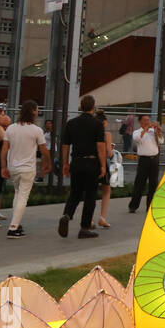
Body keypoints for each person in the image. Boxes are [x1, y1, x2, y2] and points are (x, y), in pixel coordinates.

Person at [59, 94, 105, 239]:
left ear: (81, 107)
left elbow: (65, 146)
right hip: (91, 162)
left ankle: (67, 215)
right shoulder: (97, 124)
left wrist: (65, 163)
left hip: (76, 162)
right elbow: (101, 147)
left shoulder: (71, 123)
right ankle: (84, 228)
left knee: (75, 192)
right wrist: (103, 165)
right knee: (90, 195)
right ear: (93, 107)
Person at [2, 100, 50, 238]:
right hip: (28, 168)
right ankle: (13, 227)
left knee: (17, 194)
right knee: (23, 197)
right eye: (36, 110)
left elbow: (4, 149)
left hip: (13, 168)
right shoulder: (37, 130)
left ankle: (15, 223)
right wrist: (48, 163)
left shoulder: (11, 128)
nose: (37, 112)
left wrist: (3, 166)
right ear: (33, 111)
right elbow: (44, 150)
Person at [128, 114, 164, 212]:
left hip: (154, 160)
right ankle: (133, 206)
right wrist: (145, 129)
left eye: (148, 120)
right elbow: (137, 139)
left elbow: (161, 141)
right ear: (140, 122)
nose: (147, 122)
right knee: (140, 183)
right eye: (145, 120)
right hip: (144, 160)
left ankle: (150, 206)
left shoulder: (153, 132)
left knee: (153, 183)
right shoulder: (137, 132)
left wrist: (158, 132)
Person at [95, 110, 114, 228]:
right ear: (105, 123)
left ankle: (90, 219)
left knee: (91, 191)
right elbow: (109, 153)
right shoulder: (106, 134)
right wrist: (111, 149)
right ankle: (102, 217)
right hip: (102, 163)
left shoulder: (91, 133)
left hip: (91, 162)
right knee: (106, 190)